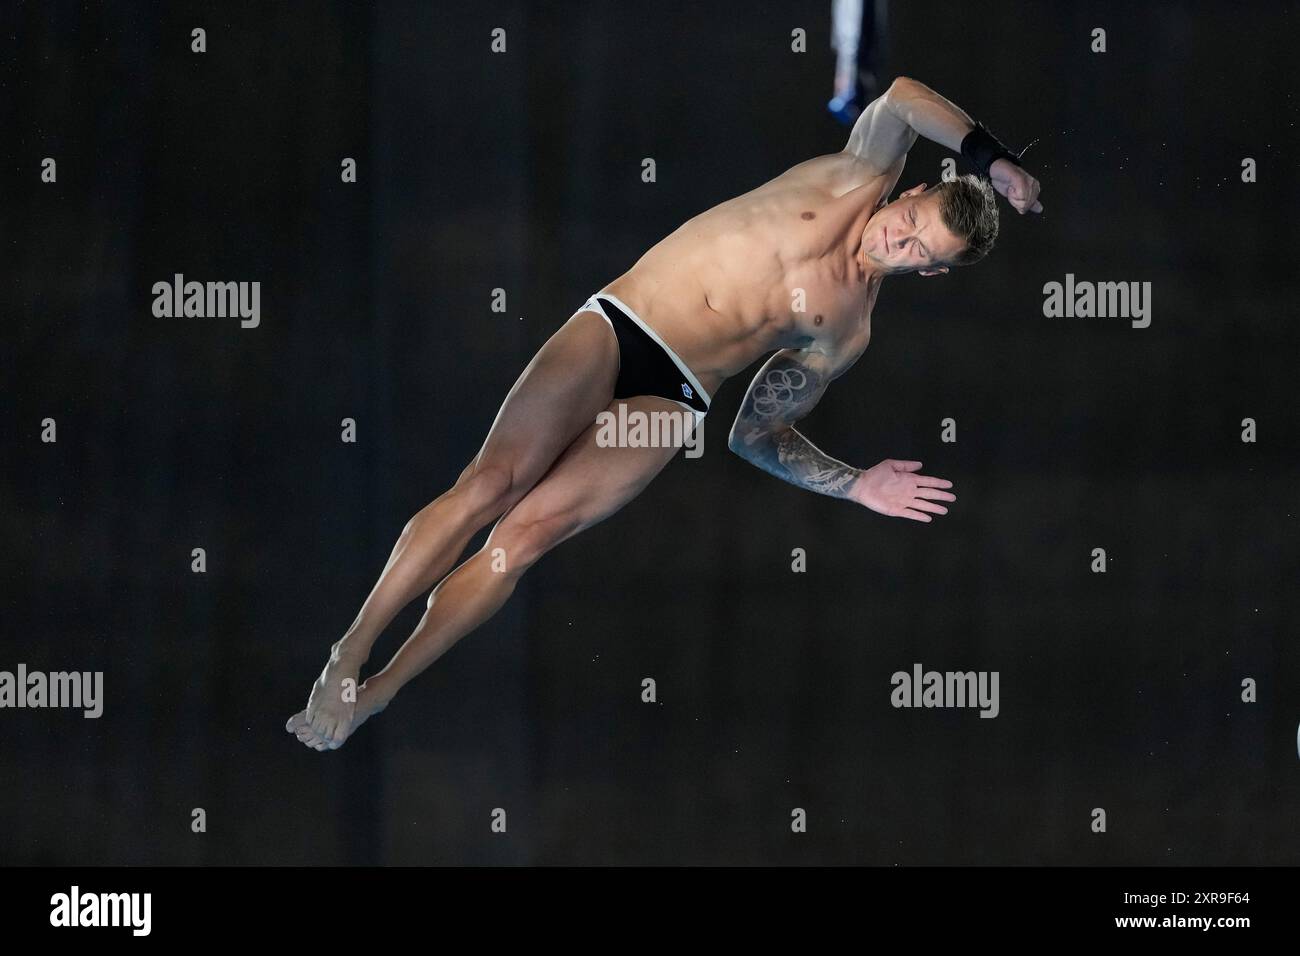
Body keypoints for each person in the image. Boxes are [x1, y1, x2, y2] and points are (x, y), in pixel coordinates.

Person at [287, 75, 1043, 750]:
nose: (897, 240)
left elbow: (755, 436)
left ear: (933, 271)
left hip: (674, 394)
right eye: (909, 222)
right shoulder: (857, 175)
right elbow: (904, 96)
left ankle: (381, 690)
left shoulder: (846, 331)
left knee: (521, 541)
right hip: (624, 325)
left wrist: (855, 485)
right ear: (910, 193)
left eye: (917, 251)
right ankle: (348, 653)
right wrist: (993, 158)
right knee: (490, 486)